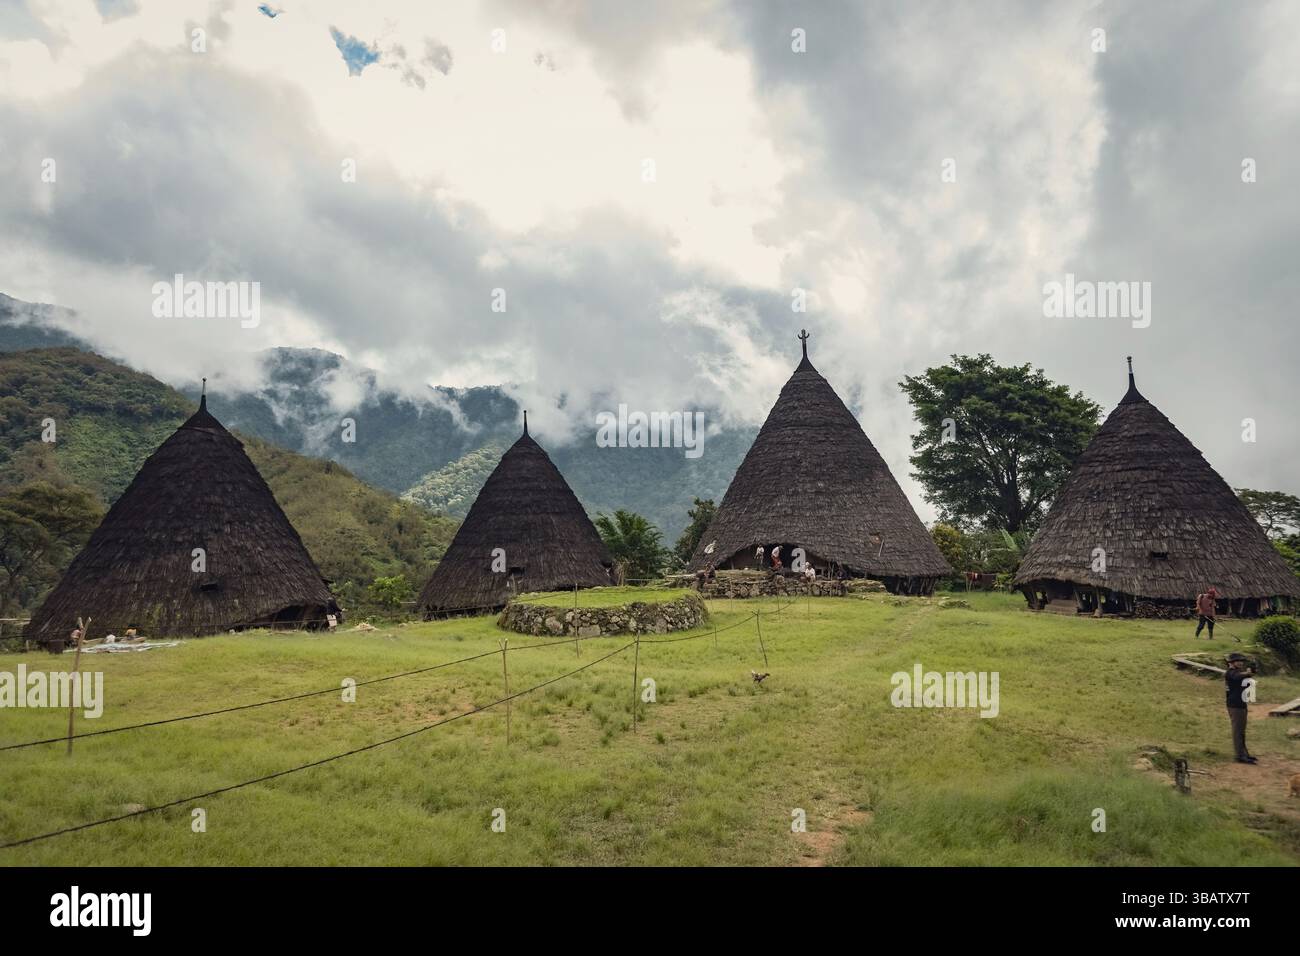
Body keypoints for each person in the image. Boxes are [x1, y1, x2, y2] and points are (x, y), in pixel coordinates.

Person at [1224, 652, 1256, 764]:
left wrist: (1250, 673)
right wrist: (1248, 673)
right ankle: (1240, 756)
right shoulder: (1230, 673)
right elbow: (1237, 677)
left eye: (1241, 661)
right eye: (1238, 661)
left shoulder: (1238, 672)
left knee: (1241, 731)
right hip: (1235, 705)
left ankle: (1244, 754)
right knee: (1237, 731)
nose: (1241, 663)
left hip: (1241, 704)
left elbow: (1246, 682)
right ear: (1231, 663)